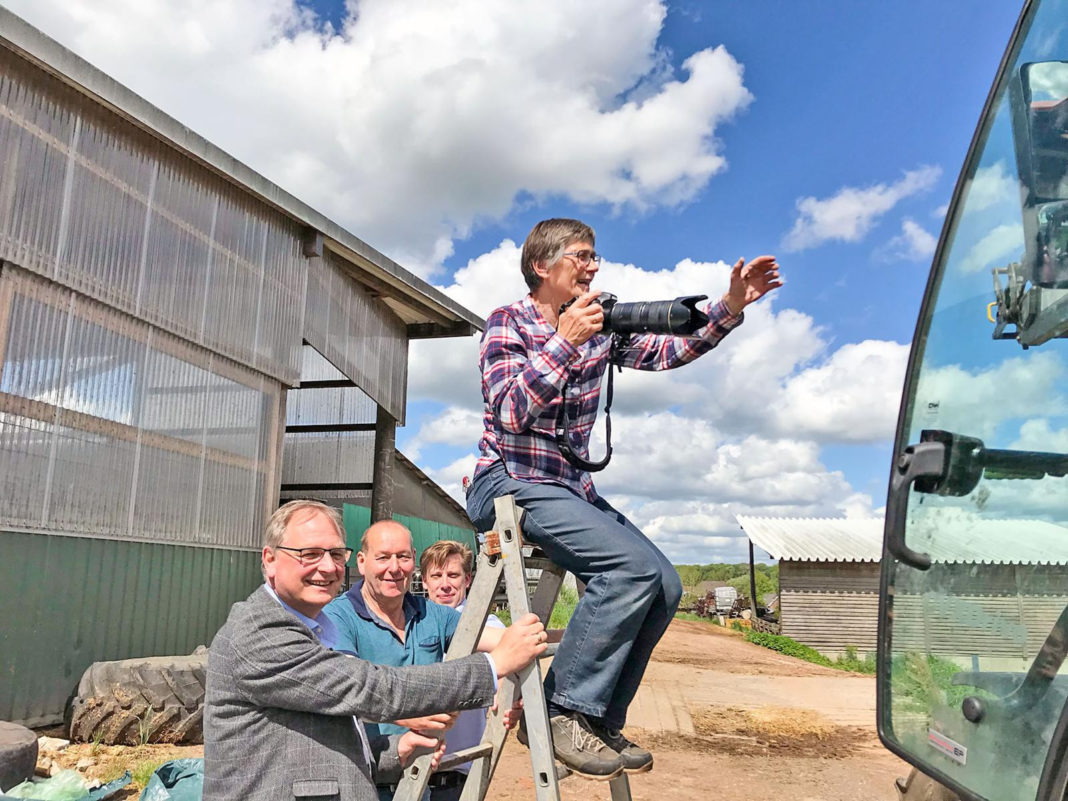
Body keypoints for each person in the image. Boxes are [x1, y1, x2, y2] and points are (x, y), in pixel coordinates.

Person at [465, 218, 782, 779]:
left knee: (665, 584)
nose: (593, 266)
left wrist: (731, 306)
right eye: (582, 256)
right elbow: (511, 411)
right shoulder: (506, 324)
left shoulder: (602, 323)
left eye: (595, 257)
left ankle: (597, 720)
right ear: (543, 266)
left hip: (570, 488)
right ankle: (561, 709)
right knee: (629, 569)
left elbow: (669, 351)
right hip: (509, 481)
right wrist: (567, 343)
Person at [203, 500, 547, 801]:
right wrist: (492, 667)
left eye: (336, 554)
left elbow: (321, 735)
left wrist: (394, 751)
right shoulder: (263, 633)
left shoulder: (317, 625)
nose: (326, 566)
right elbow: (368, 688)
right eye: (309, 554)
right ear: (270, 559)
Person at [324, 522, 509, 800]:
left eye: (403, 557)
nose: (394, 567)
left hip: (419, 776)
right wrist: (409, 711)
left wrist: (510, 681)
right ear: (362, 562)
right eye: (383, 557)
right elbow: (347, 686)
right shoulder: (338, 616)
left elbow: (502, 642)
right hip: (364, 781)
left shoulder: (433, 615)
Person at [419, 540, 506, 801]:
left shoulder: (484, 624)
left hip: (454, 773)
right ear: (424, 581)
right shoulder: (411, 621)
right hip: (406, 770)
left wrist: (503, 684)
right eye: (436, 575)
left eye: (453, 575)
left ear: (467, 580)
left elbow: (505, 657)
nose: (444, 584)